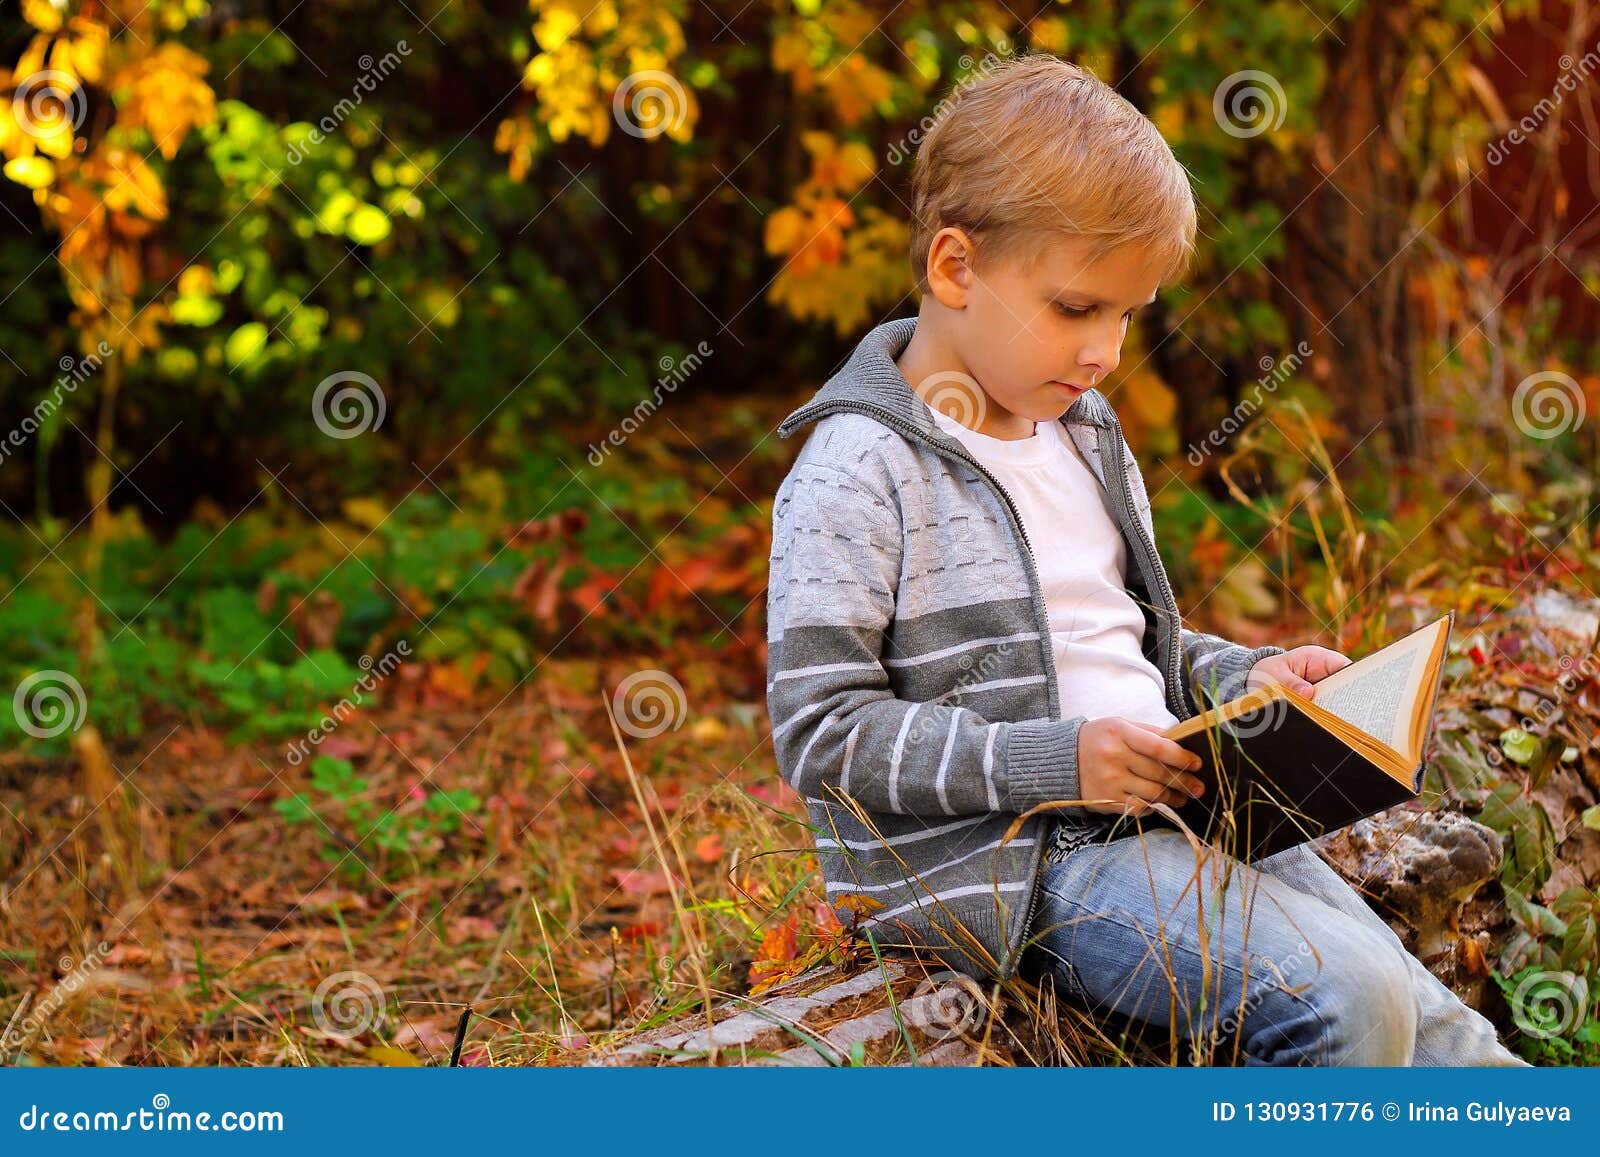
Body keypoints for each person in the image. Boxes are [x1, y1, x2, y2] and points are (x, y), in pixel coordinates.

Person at [764, 52, 1527, 1066]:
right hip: (1020, 860)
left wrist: (1238, 681)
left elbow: (1124, 646)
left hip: (1175, 809)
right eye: (1079, 308)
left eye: (1128, 314)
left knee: (1435, 1024)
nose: (1105, 351)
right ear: (955, 267)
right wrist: (1059, 760)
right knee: (1346, 999)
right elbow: (821, 733)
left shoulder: (1079, 428)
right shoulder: (856, 467)